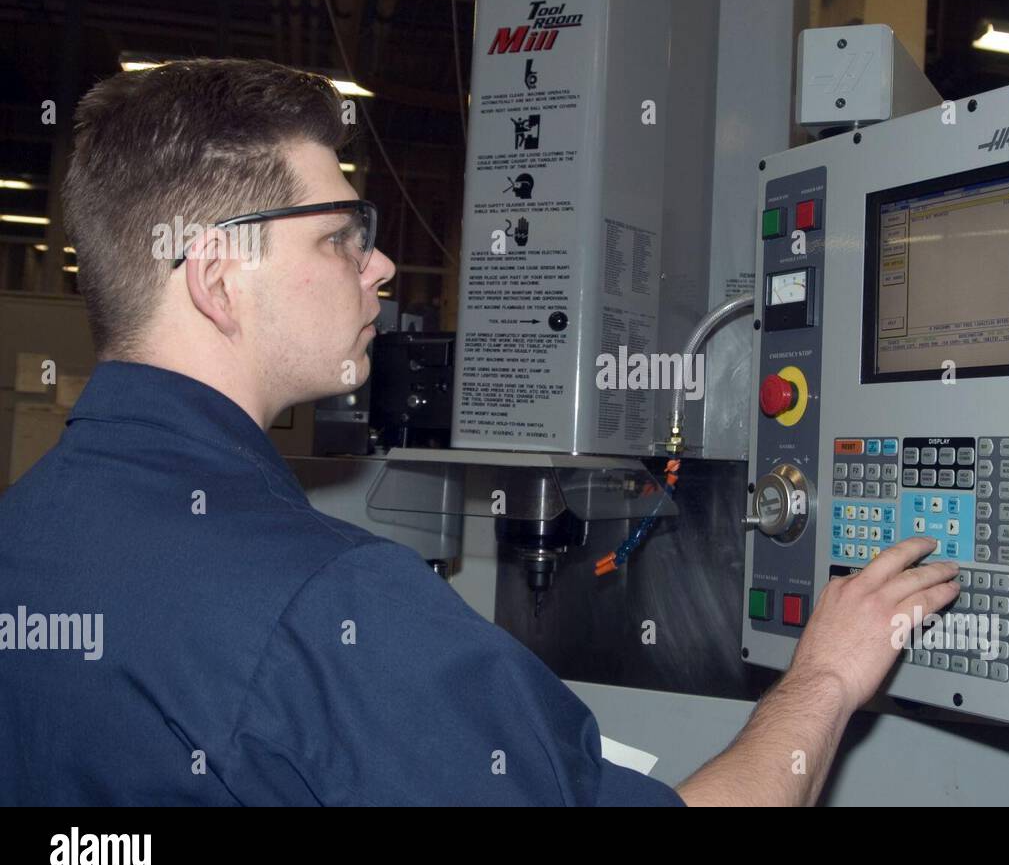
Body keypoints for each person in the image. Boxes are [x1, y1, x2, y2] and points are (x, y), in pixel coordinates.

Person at [0, 59, 959, 806]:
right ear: (216, 279)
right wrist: (828, 678)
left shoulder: (25, 537)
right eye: (339, 233)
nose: (378, 264)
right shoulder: (327, 603)